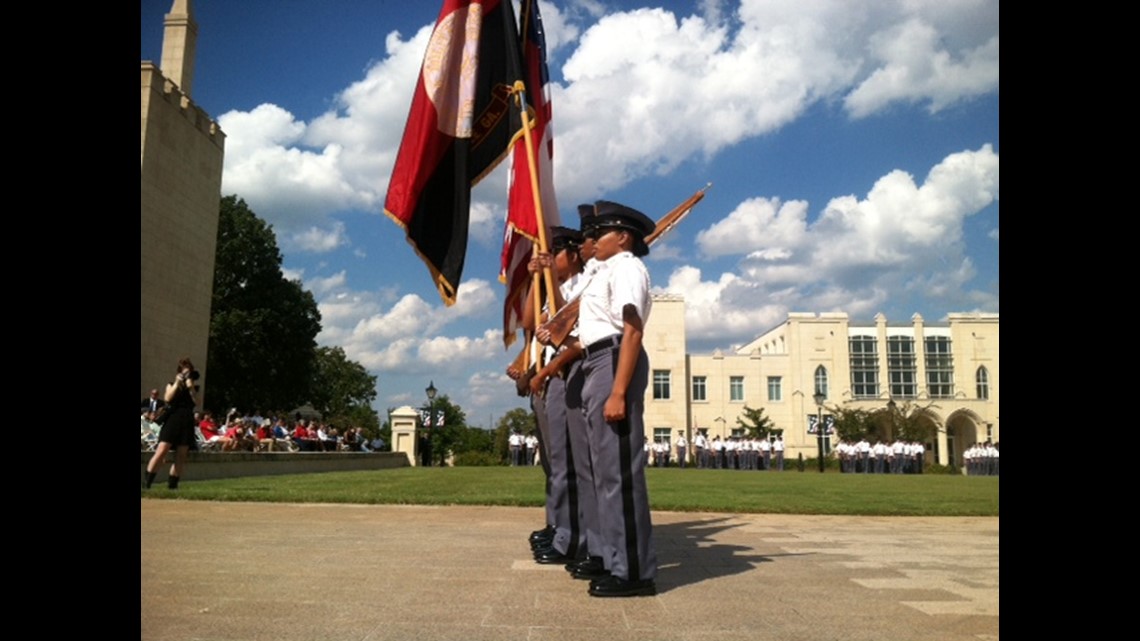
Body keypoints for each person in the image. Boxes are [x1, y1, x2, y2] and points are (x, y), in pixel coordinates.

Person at [576, 200, 658, 597]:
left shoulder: (627, 267)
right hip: (598, 360)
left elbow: (632, 330)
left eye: (600, 234)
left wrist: (619, 391)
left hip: (613, 359)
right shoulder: (605, 270)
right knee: (604, 472)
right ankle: (614, 560)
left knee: (619, 474)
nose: (593, 241)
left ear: (622, 237)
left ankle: (634, 572)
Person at [145, 358, 199, 489]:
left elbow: (196, 402)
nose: (187, 374)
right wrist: (177, 382)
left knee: (181, 454)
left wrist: (190, 386)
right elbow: (168, 398)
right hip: (173, 418)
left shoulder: (194, 387)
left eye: (189, 372)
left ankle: (172, 485)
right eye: (184, 371)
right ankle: (147, 482)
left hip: (186, 419)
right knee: (162, 450)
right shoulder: (171, 384)